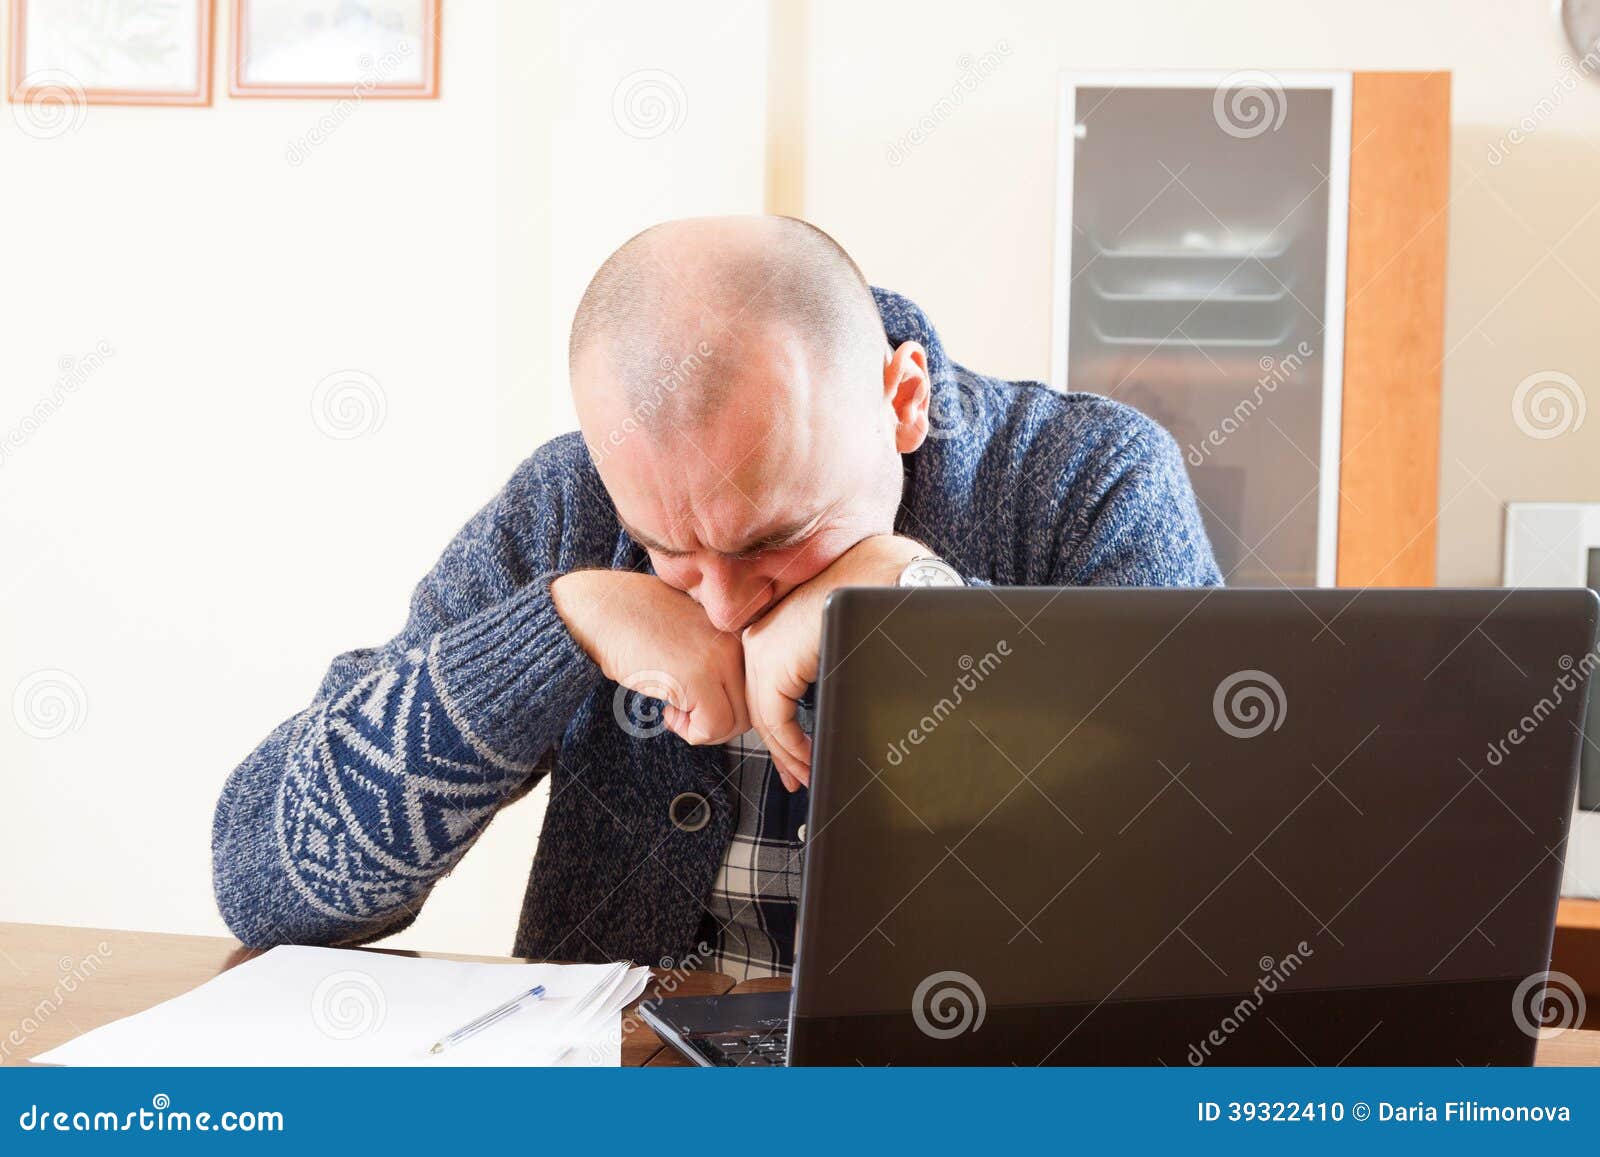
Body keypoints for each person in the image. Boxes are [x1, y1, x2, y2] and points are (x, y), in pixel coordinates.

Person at [212, 215, 1221, 979]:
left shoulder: (1088, 478)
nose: (728, 609)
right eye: (668, 550)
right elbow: (265, 880)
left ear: (902, 399)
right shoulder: (568, 500)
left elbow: (1207, 881)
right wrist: (556, 625)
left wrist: (920, 608)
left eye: (776, 539)